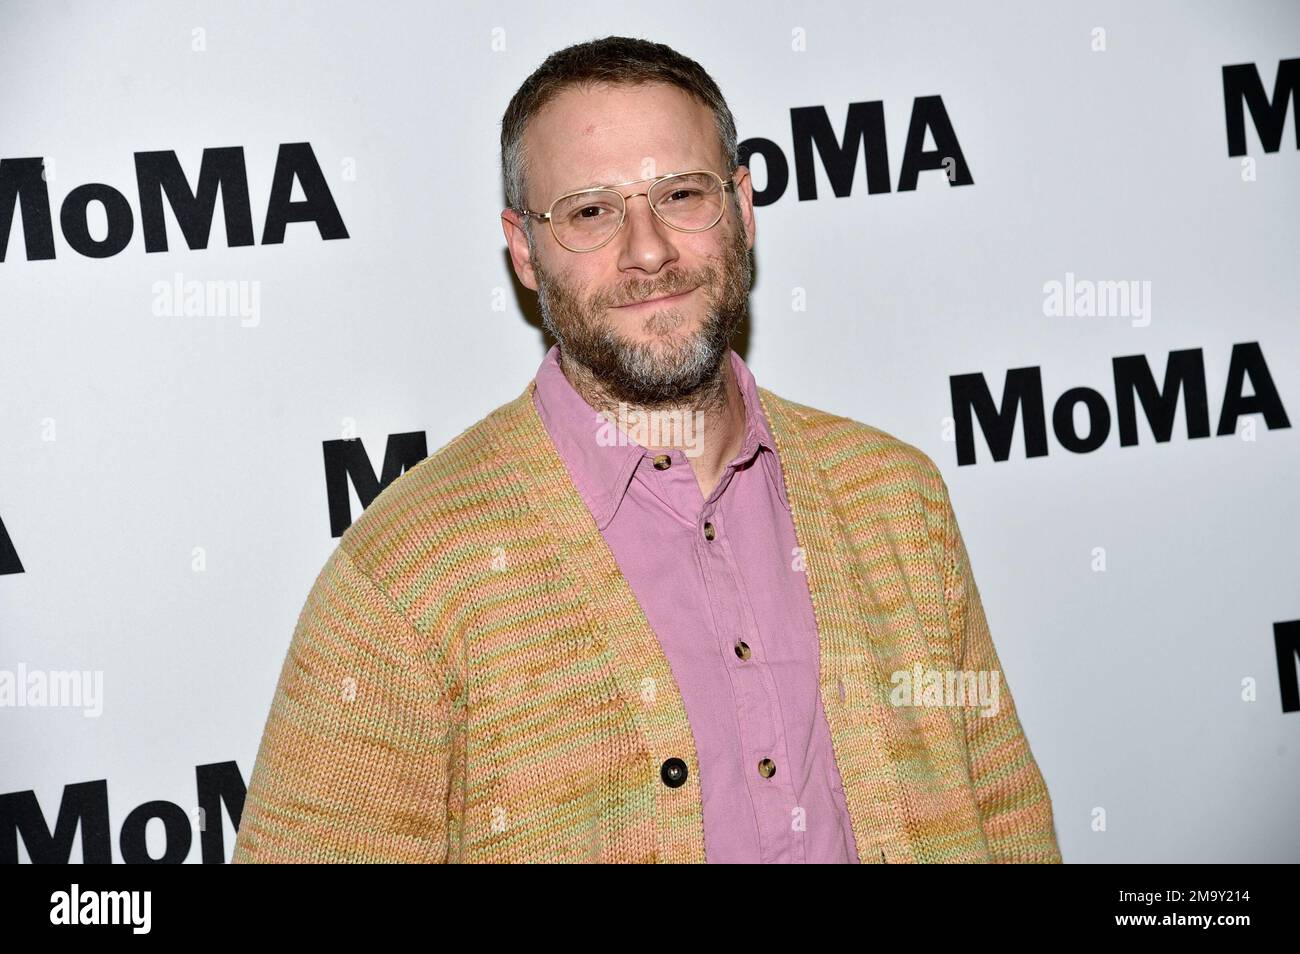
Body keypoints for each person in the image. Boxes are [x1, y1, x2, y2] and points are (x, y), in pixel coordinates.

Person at [232, 35, 1061, 864]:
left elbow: (1008, 820)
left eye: (682, 195)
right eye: (591, 211)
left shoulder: (894, 498)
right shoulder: (405, 582)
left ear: (742, 203)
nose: (649, 251)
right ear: (524, 249)